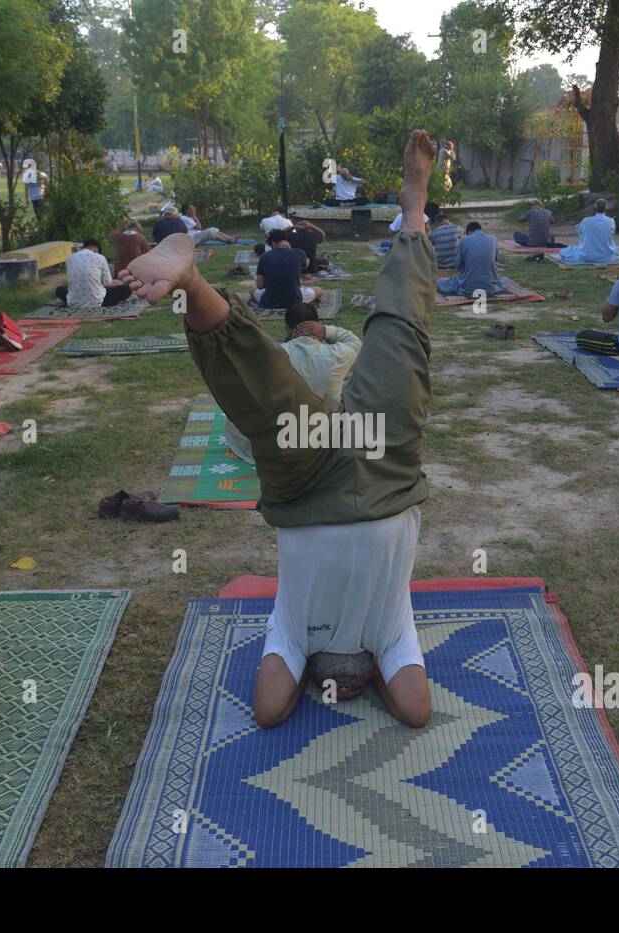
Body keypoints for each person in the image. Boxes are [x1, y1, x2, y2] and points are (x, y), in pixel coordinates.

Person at [116, 128, 443, 730]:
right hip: (387, 471)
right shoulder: (393, 636)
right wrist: (367, 668)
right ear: (373, 671)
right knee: (400, 335)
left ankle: (193, 284)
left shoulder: (291, 635)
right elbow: (417, 711)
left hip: (305, 486)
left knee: (264, 400)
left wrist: (306, 673)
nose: (341, 689)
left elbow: (268, 712)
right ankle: (413, 207)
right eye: (354, 685)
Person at [224, 302, 362, 465]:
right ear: (317, 326)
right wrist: (326, 330)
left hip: (282, 441)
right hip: (325, 440)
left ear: (287, 328)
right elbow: (355, 342)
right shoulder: (339, 354)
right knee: (349, 388)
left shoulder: (271, 355)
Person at [437, 222, 510, 297]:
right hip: (489, 287)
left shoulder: (464, 240)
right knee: (505, 280)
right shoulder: (493, 239)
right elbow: (494, 261)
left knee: (441, 282)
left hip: (468, 288)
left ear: (468, 232)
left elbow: (458, 265)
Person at [252, 231, 322, 309]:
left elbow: (260, 286)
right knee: (318, 290)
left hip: (270, 301)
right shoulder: (299, 253)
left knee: (252, 290)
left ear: (272, 242)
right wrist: (290, 249)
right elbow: (306, 264)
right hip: (295, 300)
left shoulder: (264, 256)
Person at [56, 239, 133, 309]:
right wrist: (118, 283)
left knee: (59, 290)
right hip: (97, 302)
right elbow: (108, 283)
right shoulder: (100, 257)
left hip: (73, 302)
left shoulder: (70, 258)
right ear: (96, 250)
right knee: (126, 289)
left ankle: (76, 300)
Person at [559, 199, 619, 264]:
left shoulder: (586, 221)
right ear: (606, 209)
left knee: (566, 251)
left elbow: (580, 232)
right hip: (606, 258)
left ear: (594, 209)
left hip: (585, 256)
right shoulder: (611, 221)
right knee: (617, 250)